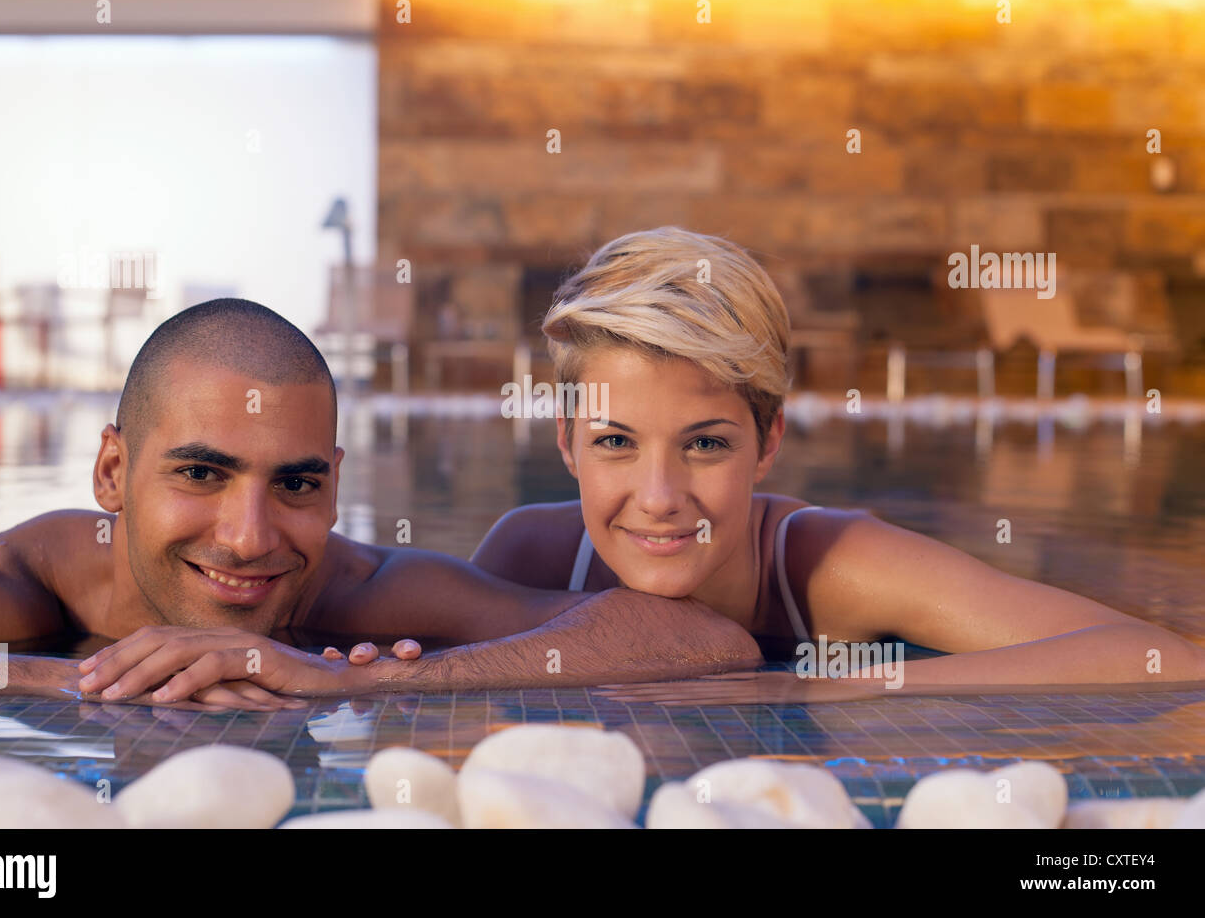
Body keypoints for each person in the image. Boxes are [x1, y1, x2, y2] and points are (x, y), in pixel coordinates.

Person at [0, 299, 761, 711]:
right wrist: (85, 680)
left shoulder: (356, 595)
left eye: (296, 483)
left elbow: (706, 639)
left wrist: (362, 678)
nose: (248, 538)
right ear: (111, 471)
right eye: (200, 474)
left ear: (337, 486)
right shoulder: (19, 588)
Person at [470, 226, 1205, 704]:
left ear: (769, 442)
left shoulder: (827, 564)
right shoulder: (530, 555)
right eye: (615, 442)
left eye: (706, 443)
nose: (659, 497)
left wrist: (813, 690)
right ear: (566, 443)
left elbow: (1159, 656)